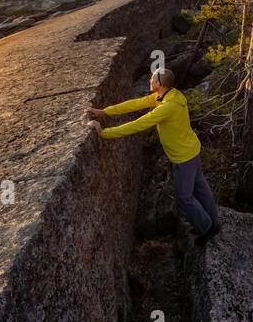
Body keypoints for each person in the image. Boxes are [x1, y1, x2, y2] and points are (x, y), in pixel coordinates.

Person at [90, 68, 222, 244]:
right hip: (191, 150)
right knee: (202, 190)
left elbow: (139, 124)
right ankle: (214, 224)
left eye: (152, 79)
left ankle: (205, 229)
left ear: (159, 84)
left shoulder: (167, 107)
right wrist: (104, 112)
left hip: (183, 157)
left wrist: (105, 133)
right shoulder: (169, 95)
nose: (150, 81)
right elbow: (135, 103)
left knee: (184, 198)